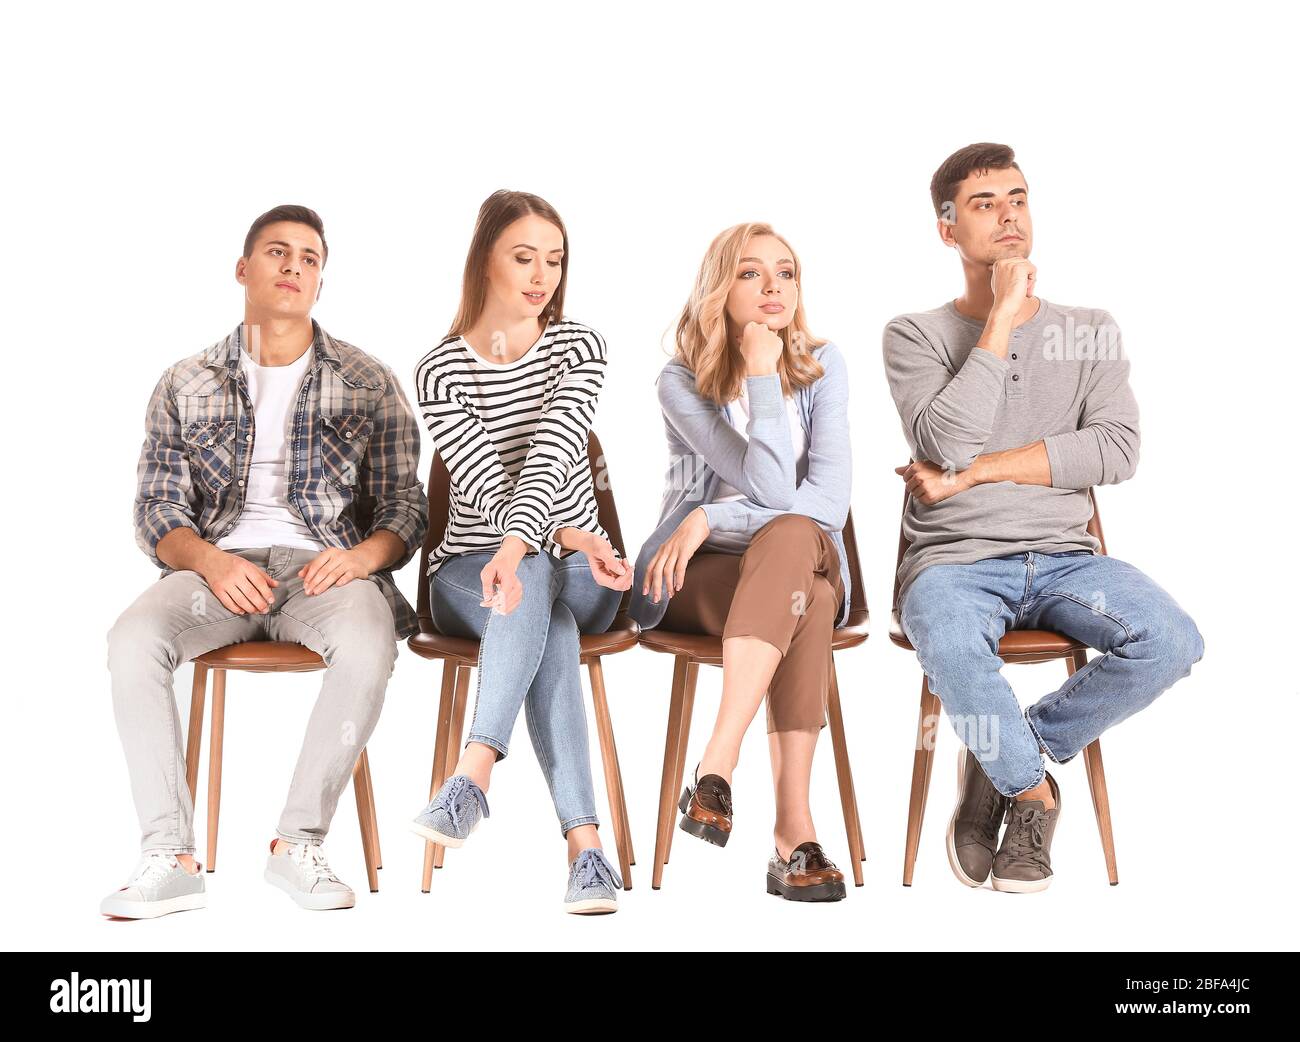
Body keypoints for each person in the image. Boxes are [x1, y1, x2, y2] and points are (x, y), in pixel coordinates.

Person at [883, 143, 1204, 893]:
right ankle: (1033, 793)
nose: (1009, 217)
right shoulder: (914, 334)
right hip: (953, 565)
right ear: (947, 228)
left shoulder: (1090, 328)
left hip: (1068, 559)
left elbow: (1118, 452)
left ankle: (1003, 760)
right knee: (953, 645)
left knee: (1174, 641)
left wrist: (985, 471)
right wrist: (1000, 314)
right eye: (985, 204)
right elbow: (945, 440)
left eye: (1018, 199)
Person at [102, 204, 428, 917]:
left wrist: (363, 556)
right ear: (243, 269)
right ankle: (169, 854)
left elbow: (407, 505)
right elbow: (156, 512)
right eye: (278, 253)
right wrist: (212, 563)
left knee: (371, 641)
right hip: (217, 576)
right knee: (132, 638)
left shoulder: (369, 380)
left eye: (310, 259)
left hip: (324, 574)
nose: (294, 267)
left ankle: (297, 844)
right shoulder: (184, 381)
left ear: (320, 283)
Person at [409, 190, 630, 914]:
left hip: (581, 568)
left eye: (556, 260)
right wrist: (540, 536)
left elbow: (553, 453)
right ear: (485, 262)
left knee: (537, 577)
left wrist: (553, 539)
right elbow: (478, 480)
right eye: (524, 257)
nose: (543, 276)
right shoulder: (441, 369)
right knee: (542, 616)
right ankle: (587, 850)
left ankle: (473, 773)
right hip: (472, 570)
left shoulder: (578, 348)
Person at [630, 222, 852, 903]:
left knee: (791, 542)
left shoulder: (824, 364)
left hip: (788, 549)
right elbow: (778, 492)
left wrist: (708, 516)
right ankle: (795, 835)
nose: (773, 287)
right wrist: (755, 375)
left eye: (785, 272)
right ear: (720, 289)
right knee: (806, 597)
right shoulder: (680, 382)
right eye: (752, 273)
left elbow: (823, 507)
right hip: (697, 576)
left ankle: (716, 767)